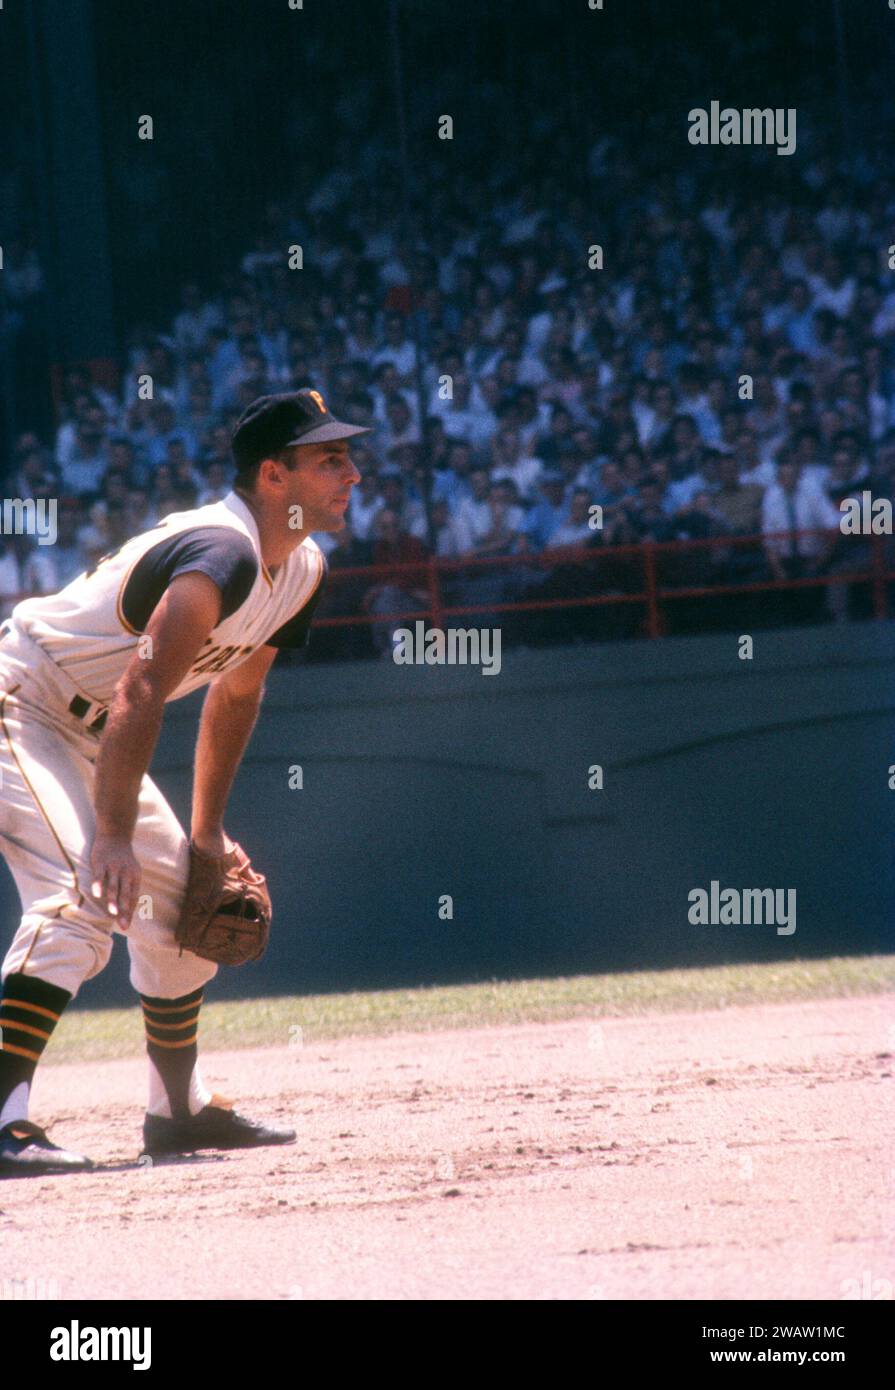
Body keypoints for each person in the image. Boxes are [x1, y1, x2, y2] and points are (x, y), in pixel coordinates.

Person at [0, 388, 368, 1175]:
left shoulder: (301, 567)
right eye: (329, 459)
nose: (352, 473)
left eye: (347, 456)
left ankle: (178, 1112)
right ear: (273, 476)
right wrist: (111, 837)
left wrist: (206, 836)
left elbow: (237, 692)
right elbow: (141, 691)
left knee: (182, 908)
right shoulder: (223, 552)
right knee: (79, 900)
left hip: (94, 728)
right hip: (22, 701)